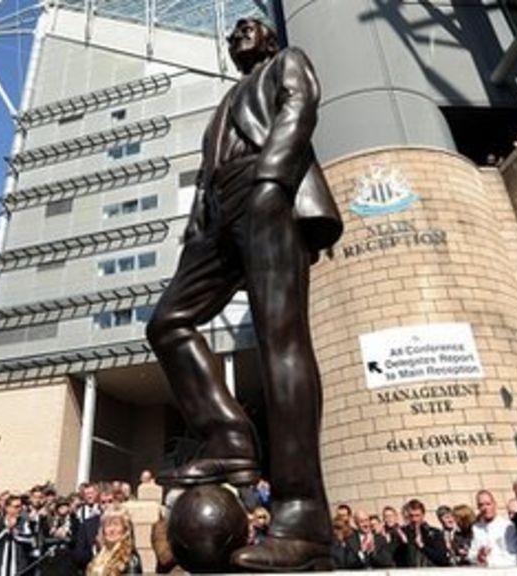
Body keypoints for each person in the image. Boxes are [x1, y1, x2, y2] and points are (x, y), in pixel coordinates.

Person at [145, 17, 342, 571]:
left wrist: (273, 182)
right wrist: (196, 226)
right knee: (166, 323)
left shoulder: (289, 61)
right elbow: (208, 175)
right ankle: (229, 437)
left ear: (270, 39)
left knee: (282, 339)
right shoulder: (224, 103)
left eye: (248, 28)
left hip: (266, 189)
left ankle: (302, 519)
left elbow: (300, 109)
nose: (237, 36)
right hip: (218, 217)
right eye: (231, 34)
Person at [467, 489, 517, 567]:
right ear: (478, 507)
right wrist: (478, 556)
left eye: (488, 504)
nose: (485, 508)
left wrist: (489, 562)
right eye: (481, 505)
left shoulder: (508, 527)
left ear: (495, 505)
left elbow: (513, 558)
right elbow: (471, 555)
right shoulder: (476, 528)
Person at [0, 497, 34, 576]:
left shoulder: (23, 523)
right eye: (16, 507)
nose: (19, 509)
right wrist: (7, 530)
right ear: (7, 508)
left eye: (20, 506)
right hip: (0, 567)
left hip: (18, 566)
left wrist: (15, 532)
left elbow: (29, 539)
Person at [84, 506, 140, 576]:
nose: (112, 530)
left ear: (125, 529)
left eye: (116, 524)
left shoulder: (130, 558)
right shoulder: (100, 555)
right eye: (108, 525)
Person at [396, 500, 449, 567]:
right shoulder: (402, 533)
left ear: (423, 515)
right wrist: (404, 545)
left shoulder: (434, 533)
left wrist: (422, 546)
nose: (414, 519)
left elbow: (442, 559)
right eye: (411, 516)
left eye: (417, 515)